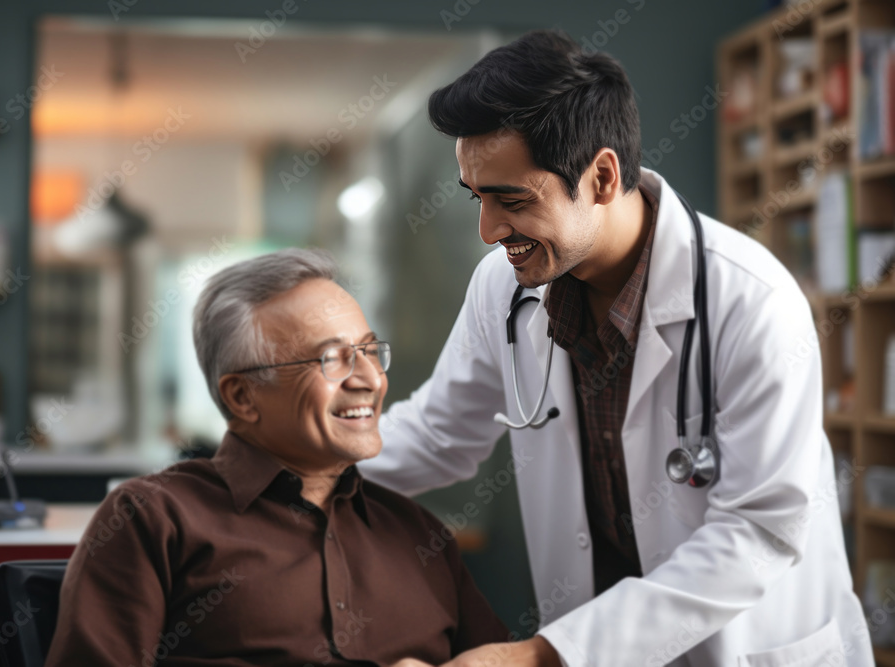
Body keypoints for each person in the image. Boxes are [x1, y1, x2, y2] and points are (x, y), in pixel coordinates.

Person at [358, 30, 870, 667]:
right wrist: (299, 467)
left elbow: (758, 532)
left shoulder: (752, 303)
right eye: (477, 197)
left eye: (512, 199)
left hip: (744, 649)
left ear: (600, 176)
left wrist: (536, 657)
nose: (488, 231)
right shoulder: (506, 288)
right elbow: (440, 433)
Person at [44, 248, 509, 667]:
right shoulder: (154, 520)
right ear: (243, 396)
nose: (368, 378)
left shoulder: (418, 534)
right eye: (332, 359)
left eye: (369, 351)